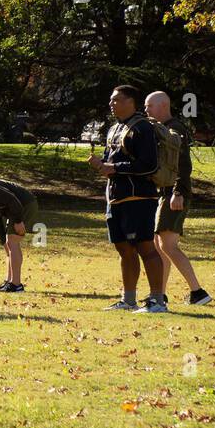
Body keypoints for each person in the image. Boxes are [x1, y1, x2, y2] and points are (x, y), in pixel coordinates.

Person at [87, 84, 168, 313]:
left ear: (130, 101)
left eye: (116, 100)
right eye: (111, 100)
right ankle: (128, 299)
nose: (112, 104)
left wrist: (115, 168)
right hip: (115, 199)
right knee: (124, 249)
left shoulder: (142, 128)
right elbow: (110, 161)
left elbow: (149, 165)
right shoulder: (114, 129)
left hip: (139, 199)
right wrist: (101, 165)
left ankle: (157, 301)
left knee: (145, 248)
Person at [145, 91, 211, 306]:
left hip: (174, 193)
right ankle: (160, 294)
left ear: (163, 106)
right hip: (165, 193)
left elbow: (183, 165)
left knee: (168, 245)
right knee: (159, 244)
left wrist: (178, 192)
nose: (146, 111)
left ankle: (198, 293)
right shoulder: (164, 129)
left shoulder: (175, 129)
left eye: (150, 106)